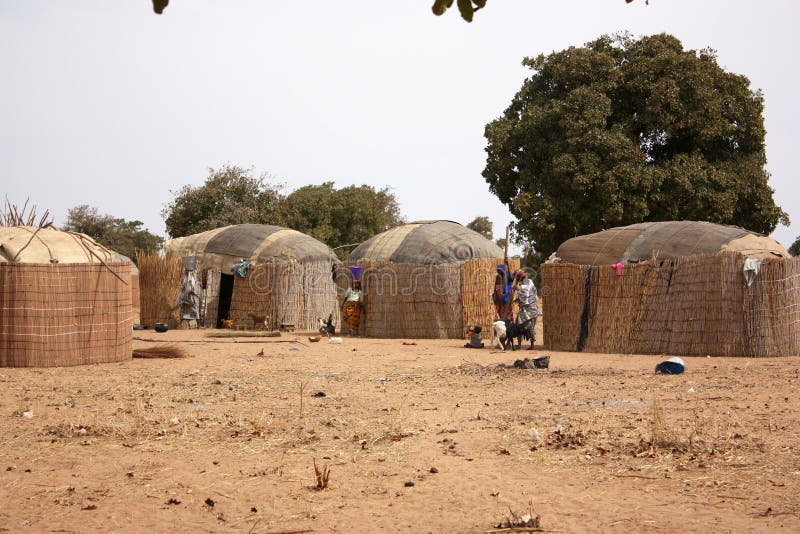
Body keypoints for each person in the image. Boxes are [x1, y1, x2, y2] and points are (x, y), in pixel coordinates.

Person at [513, 268, 540, 349]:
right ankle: (532, 346)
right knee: (531, 327)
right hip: (534, 309)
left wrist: (515, 281)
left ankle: (519, 344)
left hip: (526, 310)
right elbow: (529, 295)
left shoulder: (523, 286)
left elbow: (522, 293)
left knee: (519, 325)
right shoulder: (531, 282)